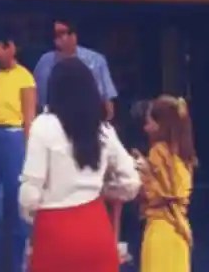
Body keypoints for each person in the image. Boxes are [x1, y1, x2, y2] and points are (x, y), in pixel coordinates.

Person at [20, 57, 140, 272]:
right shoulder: (102, 129)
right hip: (96, 229)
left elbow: (29, 195)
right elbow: (131, 182)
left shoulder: (43, 126)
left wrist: (33, 219)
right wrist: (104, 190)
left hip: (54, 234)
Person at [0, 34, 37, 272]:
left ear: (11, 47)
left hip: (14, 137)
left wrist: (29, 151)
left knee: (15, 203)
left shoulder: (25, 77)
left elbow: (29, 118)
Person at [136, 95, 196, 272]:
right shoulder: (186, 157)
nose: (145, 128)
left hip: (160, 230)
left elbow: (149, 193)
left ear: (161, 124)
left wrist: (140, 170)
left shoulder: (158, 152)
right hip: (180, 233)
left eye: (149, 122)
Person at [33, 21, 118, 120]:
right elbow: (36, 99)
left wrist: (106, 124)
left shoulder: (96, 60)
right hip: (55, 121)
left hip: (88, 121)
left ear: (73, 36)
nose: (57, 39)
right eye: (54, 35)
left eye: (61, 34)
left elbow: (107, 98)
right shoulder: (45, 62)